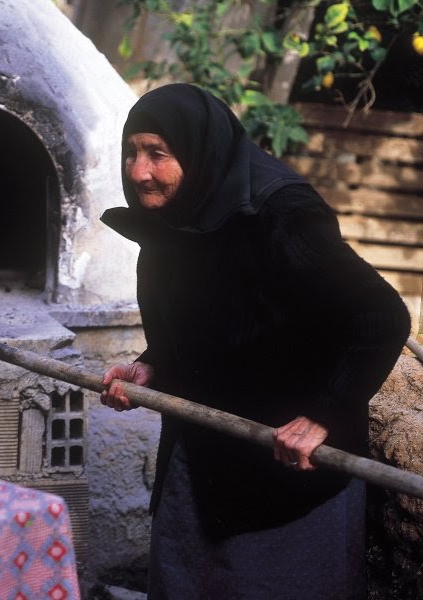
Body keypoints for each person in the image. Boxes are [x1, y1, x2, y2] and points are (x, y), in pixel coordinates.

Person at [99, 83, 410, 599]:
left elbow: (380, 315)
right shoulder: (177, 209)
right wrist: (154, 365)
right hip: (201, 456)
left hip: (285, 471)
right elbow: (211, 315)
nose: (138, 171)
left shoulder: (280, 214)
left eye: (157, 153)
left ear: (198, 151)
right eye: (131, 151)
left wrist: (324, 413)